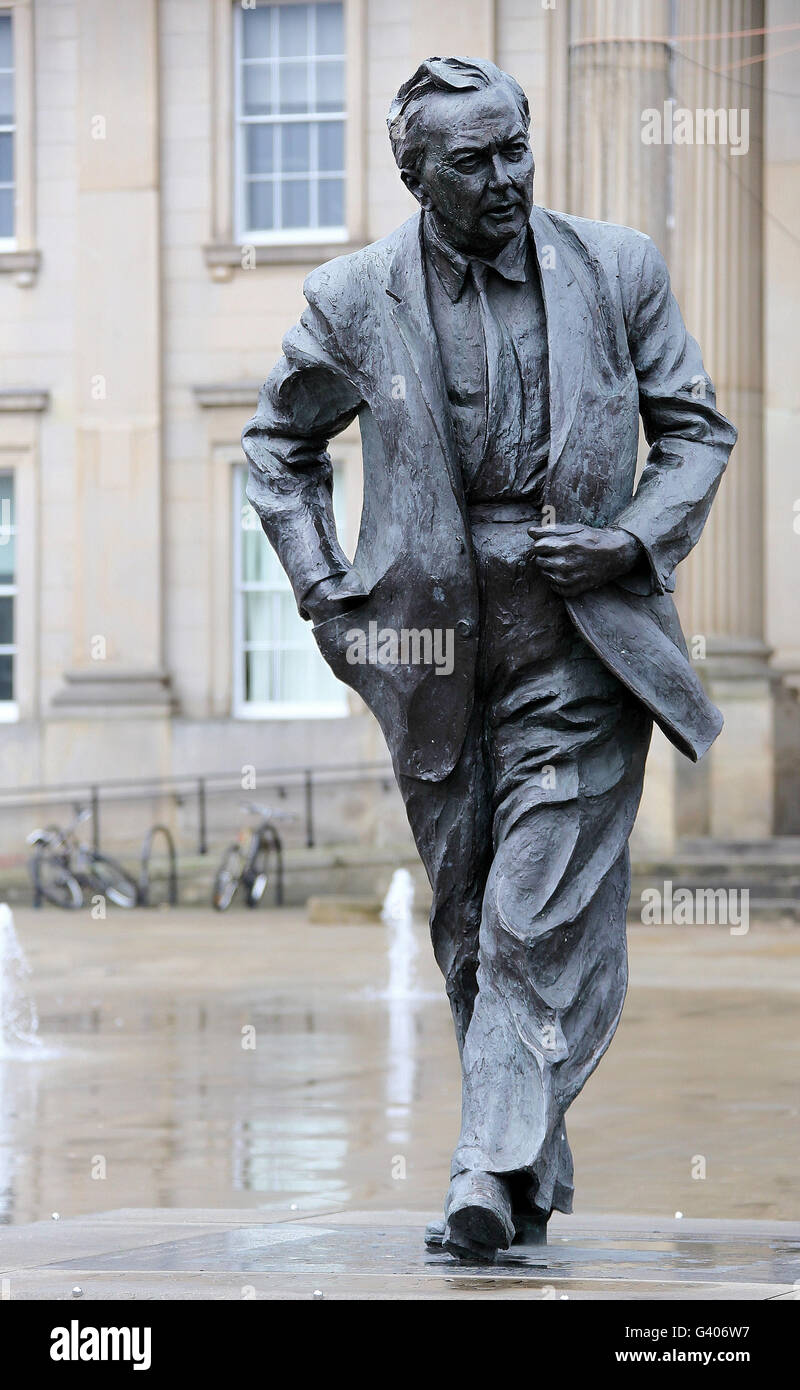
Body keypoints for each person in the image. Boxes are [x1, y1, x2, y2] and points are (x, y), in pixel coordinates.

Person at [242, 56, 737, 1263]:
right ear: (417, 177)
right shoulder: (354, 297)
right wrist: (325, 597)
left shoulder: (615, 266)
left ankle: (477, 1169)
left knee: (529, 915)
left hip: (582, 646)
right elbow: (274, 448)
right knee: (467, 926)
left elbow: (693, 429)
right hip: (428, 656)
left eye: (515, 147)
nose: (508, 175)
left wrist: (627, 536)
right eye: (474, 160)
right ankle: (524, 1174)